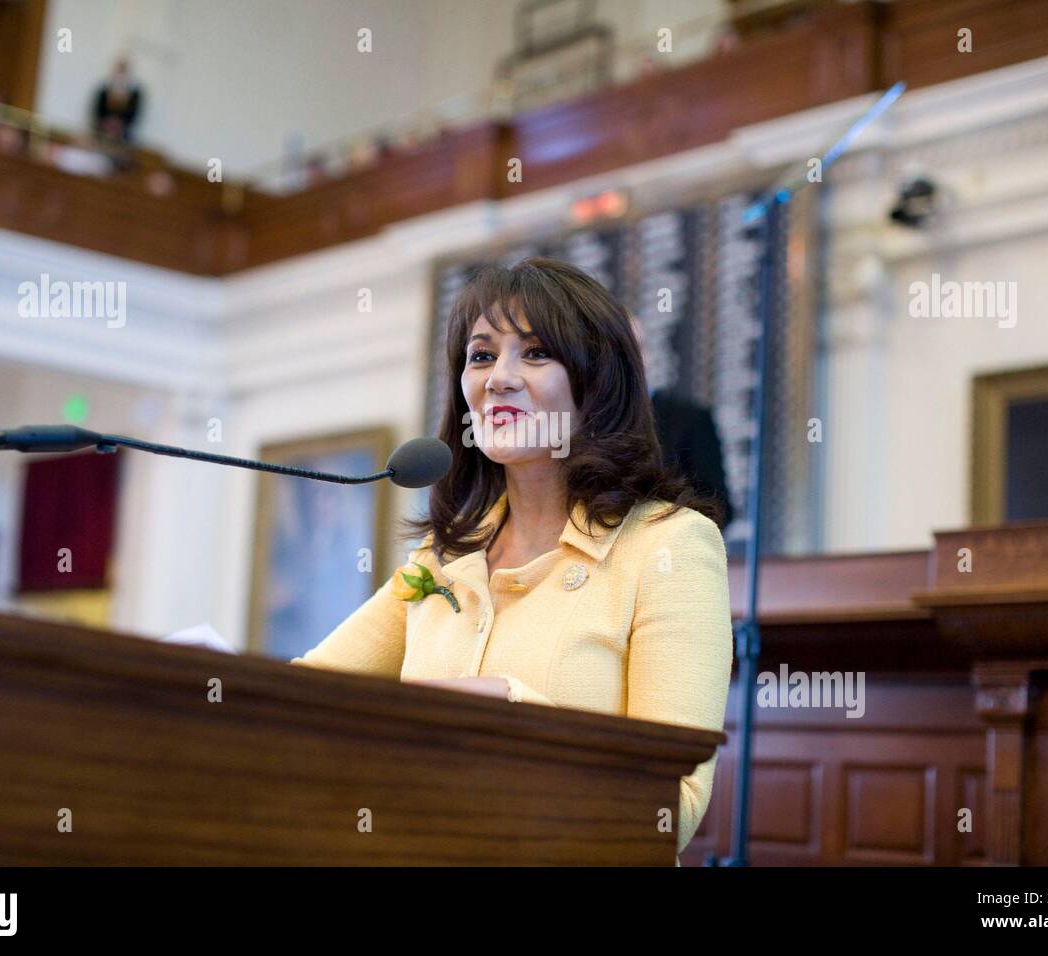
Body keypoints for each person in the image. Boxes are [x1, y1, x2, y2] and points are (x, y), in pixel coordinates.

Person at [291, 257, 734, 862]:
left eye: (534, 353)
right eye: (481, 355)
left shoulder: (672, 546)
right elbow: (306, 693)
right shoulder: (446, 554)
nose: (498, 378)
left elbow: (670, 813)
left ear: (598, 382)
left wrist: (511, 707)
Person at [628, 313, 734, 531]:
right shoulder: (583, 419)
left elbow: (717, 505)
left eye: (634, 347)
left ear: (647, 355)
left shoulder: (691, 420)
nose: (626, 358)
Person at [92, 57, 142, 143]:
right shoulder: (104, 92)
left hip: (122, 138)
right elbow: (97, 111)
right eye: (119, 69)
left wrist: (118, 126)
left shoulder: (135, 95)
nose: (121, 73)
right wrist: (106, 124)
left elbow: (133, 115)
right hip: (100, 134)